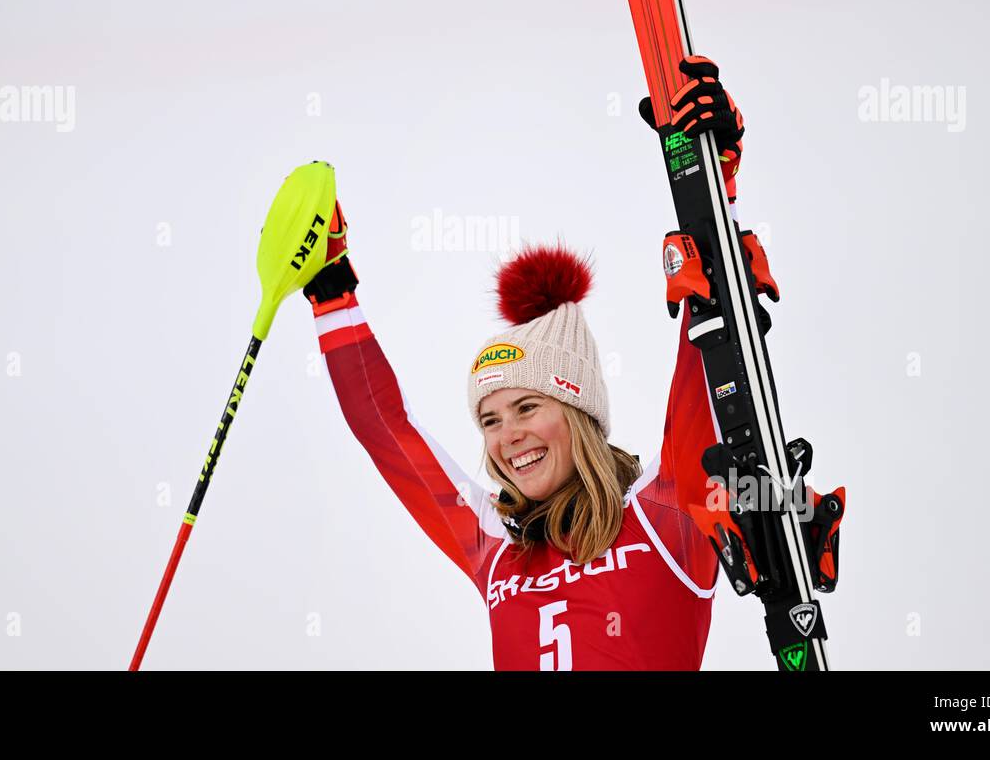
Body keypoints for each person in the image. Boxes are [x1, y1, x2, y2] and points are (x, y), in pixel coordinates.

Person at [304, 57, 749, 670]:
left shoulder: (665, 509)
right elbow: (384, 429)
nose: (508, 436)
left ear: (576, 408)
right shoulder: (493, 544)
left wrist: (711, 173)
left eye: (526, 407)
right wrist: (332, 291)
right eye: (489, 420)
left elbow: (711, 355)